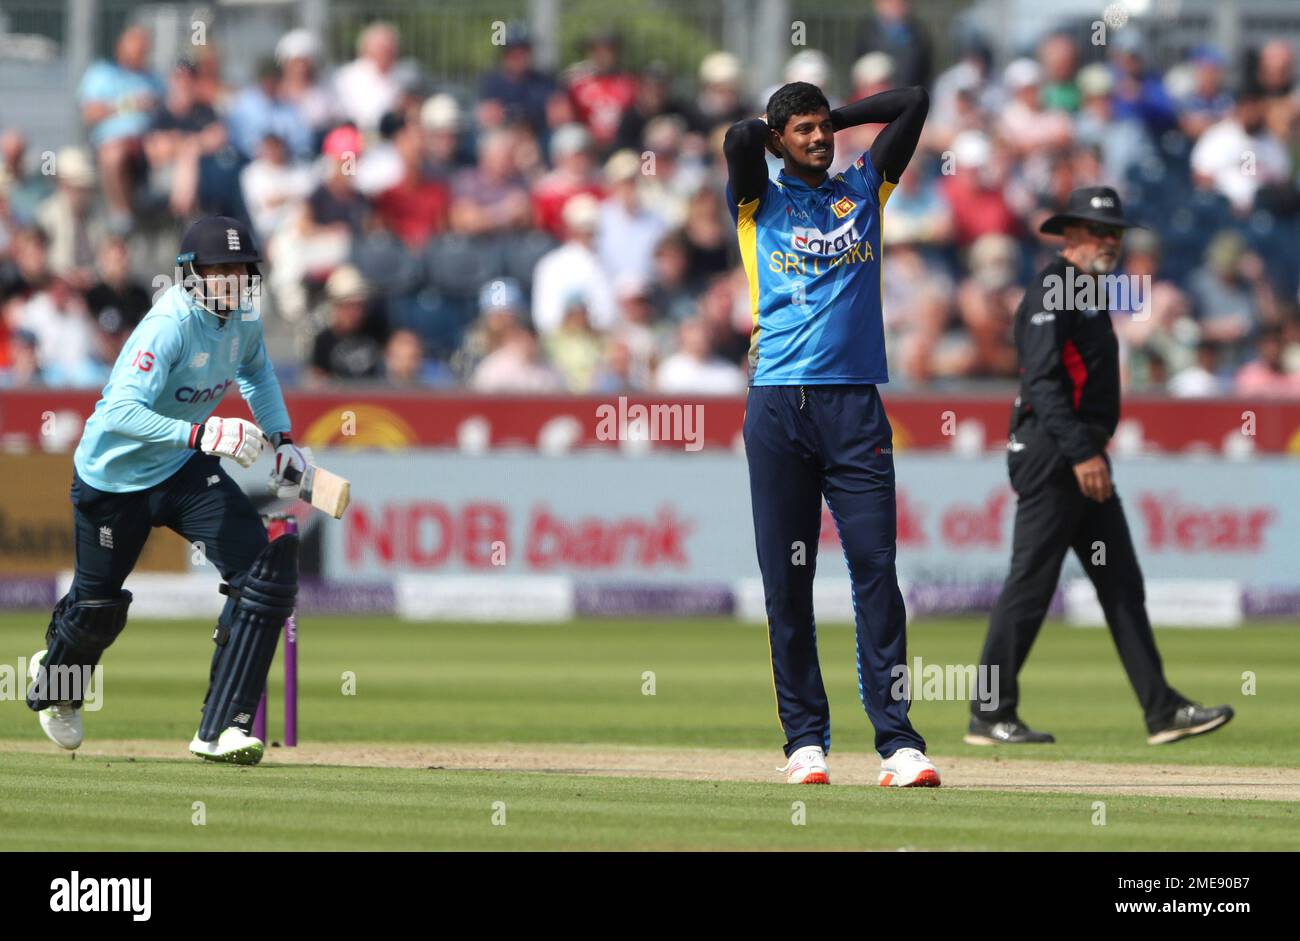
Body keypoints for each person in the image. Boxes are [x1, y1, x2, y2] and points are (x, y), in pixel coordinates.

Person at [24, 216, 307, 765]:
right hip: (113, 479)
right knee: (97, 610)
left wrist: (283, 439)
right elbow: (122, 411)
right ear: (190, 275)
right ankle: (56, 678)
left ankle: (222, 728)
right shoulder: (168, 326)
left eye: (240, 270)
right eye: (218, 270)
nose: (230, 281)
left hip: (180, 469)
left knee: (261, 578)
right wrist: (202, 432)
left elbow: (258, 373)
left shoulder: (245, 318)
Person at [723, 80, 938, 787]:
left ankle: (899, 744)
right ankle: (805, 742)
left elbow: (912, 101)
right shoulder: (757, 202)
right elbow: (734, 143)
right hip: (779, 406)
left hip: (855, 410)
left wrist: (833, 117)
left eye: (825, 128)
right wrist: (772, 126)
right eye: (804, 131)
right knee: (787, 581)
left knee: (877, 571)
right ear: (779, 138)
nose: (820, 138)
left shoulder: (864, 188)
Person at [967, 186, 1234, 747]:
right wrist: (1082, 452)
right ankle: (990, 713)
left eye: (1114, 233)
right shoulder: (1054, 288)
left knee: (1119, 583)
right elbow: (1041, 380)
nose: (1109, 242)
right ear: (1071, 234)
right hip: (1055, 454)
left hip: (1080, 452)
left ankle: (1161, 710)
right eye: (1098, 231)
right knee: (1031, 583)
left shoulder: (1085, 289)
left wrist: (1090, 450)